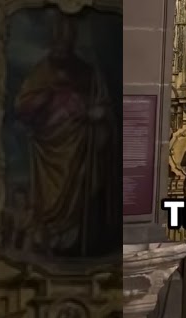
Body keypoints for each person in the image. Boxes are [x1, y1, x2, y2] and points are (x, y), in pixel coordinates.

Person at [14, 15, 114, 258]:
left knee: (79, 194)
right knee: (48, 198)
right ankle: (48, 239)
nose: (60, 47)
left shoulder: (88, 72)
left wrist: (96, 114)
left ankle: (74, 241)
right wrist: (45, 97)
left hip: (80, 147)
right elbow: (22, 107)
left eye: (65, 42)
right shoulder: (41, 71)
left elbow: (104, 107)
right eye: (57, 41)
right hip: (48, 147)